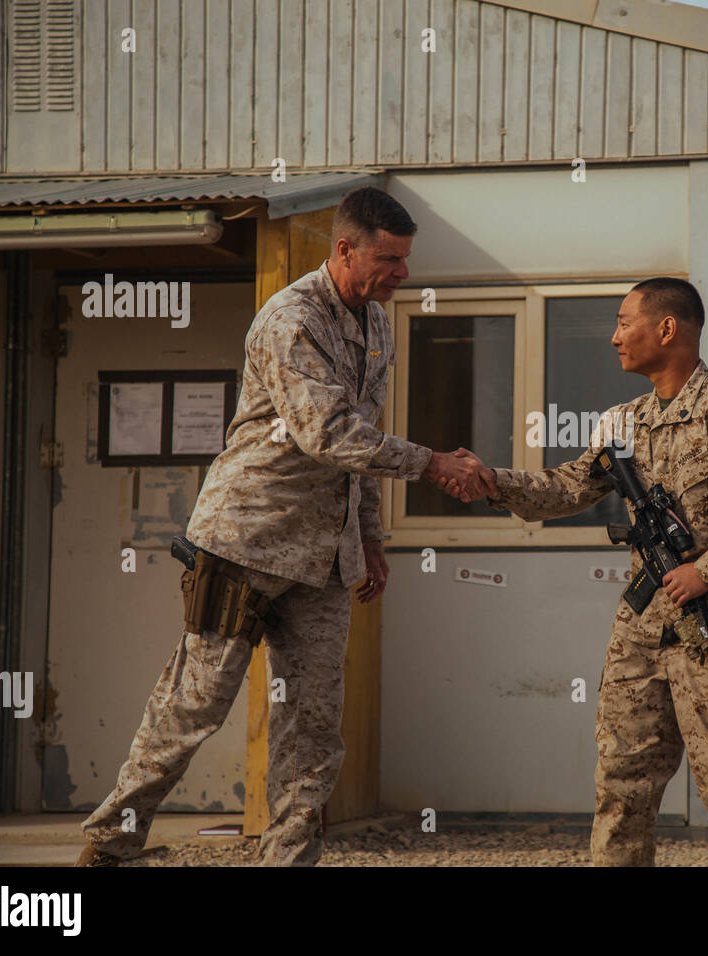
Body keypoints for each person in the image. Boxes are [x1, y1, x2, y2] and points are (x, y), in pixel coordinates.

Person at [77, 186, 487, 866]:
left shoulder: (376, 325)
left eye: (406, 260)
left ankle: (290, 859)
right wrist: (435, 465)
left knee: (315, 724)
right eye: (389, 260)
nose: (401, 275)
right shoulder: (290, 319)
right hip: (246, 541)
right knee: (196, 704)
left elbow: (362, 440)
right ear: (345, 249)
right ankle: (109, 842)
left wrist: (371, 540)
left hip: (323, 558)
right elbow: (326, 435)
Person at [448, 277, 708, 866]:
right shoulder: (620, 423)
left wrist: (706, 572)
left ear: (666, 329)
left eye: (623, 322)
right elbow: (566, 487)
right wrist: (494, 481)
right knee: (621, 785)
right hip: (642, 635)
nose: (613, 338)